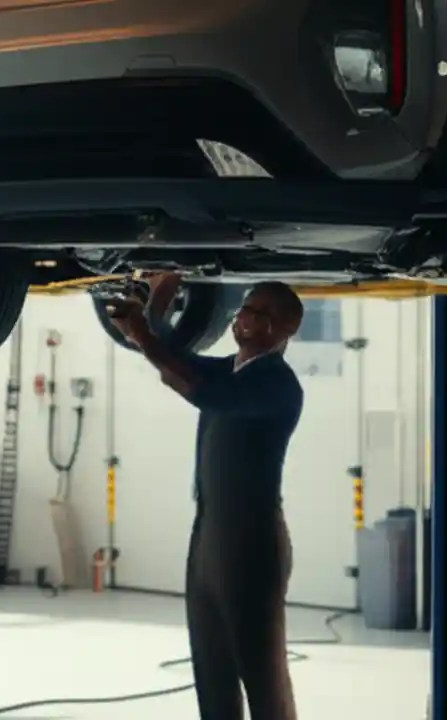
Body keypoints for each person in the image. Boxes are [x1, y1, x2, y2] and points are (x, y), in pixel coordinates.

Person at [110, 274, 305, 720]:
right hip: (209, 539)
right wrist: (156, 301)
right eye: (246, 308)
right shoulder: (232, 367)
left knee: (262, 676)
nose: (245, 318)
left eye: (260, 313)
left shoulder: (276, 385)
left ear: (283, 328)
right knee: (211, 669)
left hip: (252, 544)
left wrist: (141, 331)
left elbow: (199, 389)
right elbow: (174, 362)